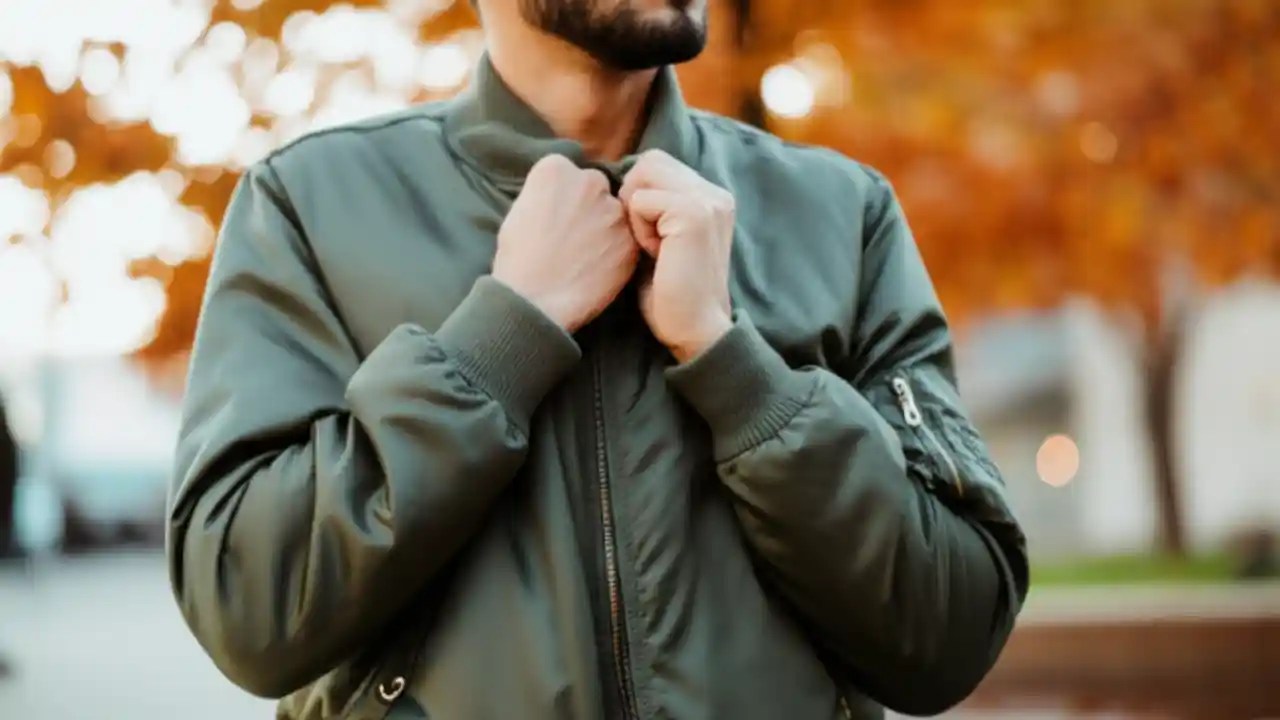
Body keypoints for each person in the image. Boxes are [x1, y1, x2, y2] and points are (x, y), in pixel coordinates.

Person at [167, 1, 1029, 718]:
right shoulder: (311, 206)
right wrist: (501, 340)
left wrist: (736, 369)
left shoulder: (841, 216)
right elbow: (248, 609)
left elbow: (952, 635)